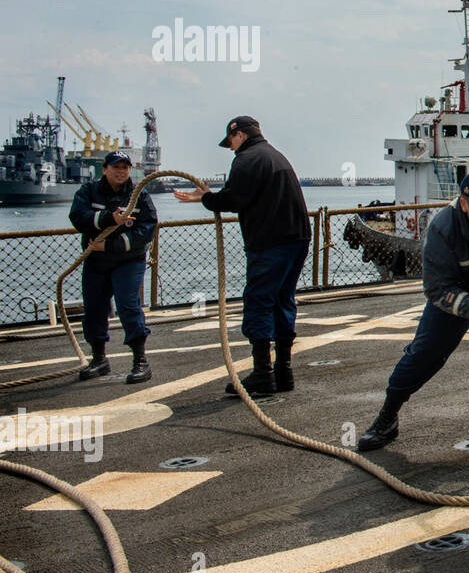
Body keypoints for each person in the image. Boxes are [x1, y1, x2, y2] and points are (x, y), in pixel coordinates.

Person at [355, 171, 469, 451]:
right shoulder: (442, 228)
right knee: (424, 354)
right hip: (459, 293)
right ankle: (388, 416)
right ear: (464, 203)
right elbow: (436, 289)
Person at [175, 116, 310, 397]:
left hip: (270, 242)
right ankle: (284, 371)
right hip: (297, 238)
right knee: (283, 300)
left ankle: (263, 374)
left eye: (231, 142)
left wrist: (207, 199)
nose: (231, 148)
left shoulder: (247, 158)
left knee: (258, 301)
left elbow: (236, 198)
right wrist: (208, 199)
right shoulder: (275, 155)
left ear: (239, 135)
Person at [68, 150, 157, 383]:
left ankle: (140, 361)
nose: (121, 172)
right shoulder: (88, 191)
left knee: (128, 306)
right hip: (96, 262)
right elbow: (77, 217)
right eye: (116, 167)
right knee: (95, 308)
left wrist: (110, 245)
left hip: (128, 260)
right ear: (104, 169)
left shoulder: (140, 195)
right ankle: (99, 359)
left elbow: (147, 227)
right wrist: (109, 218)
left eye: (125, 168)